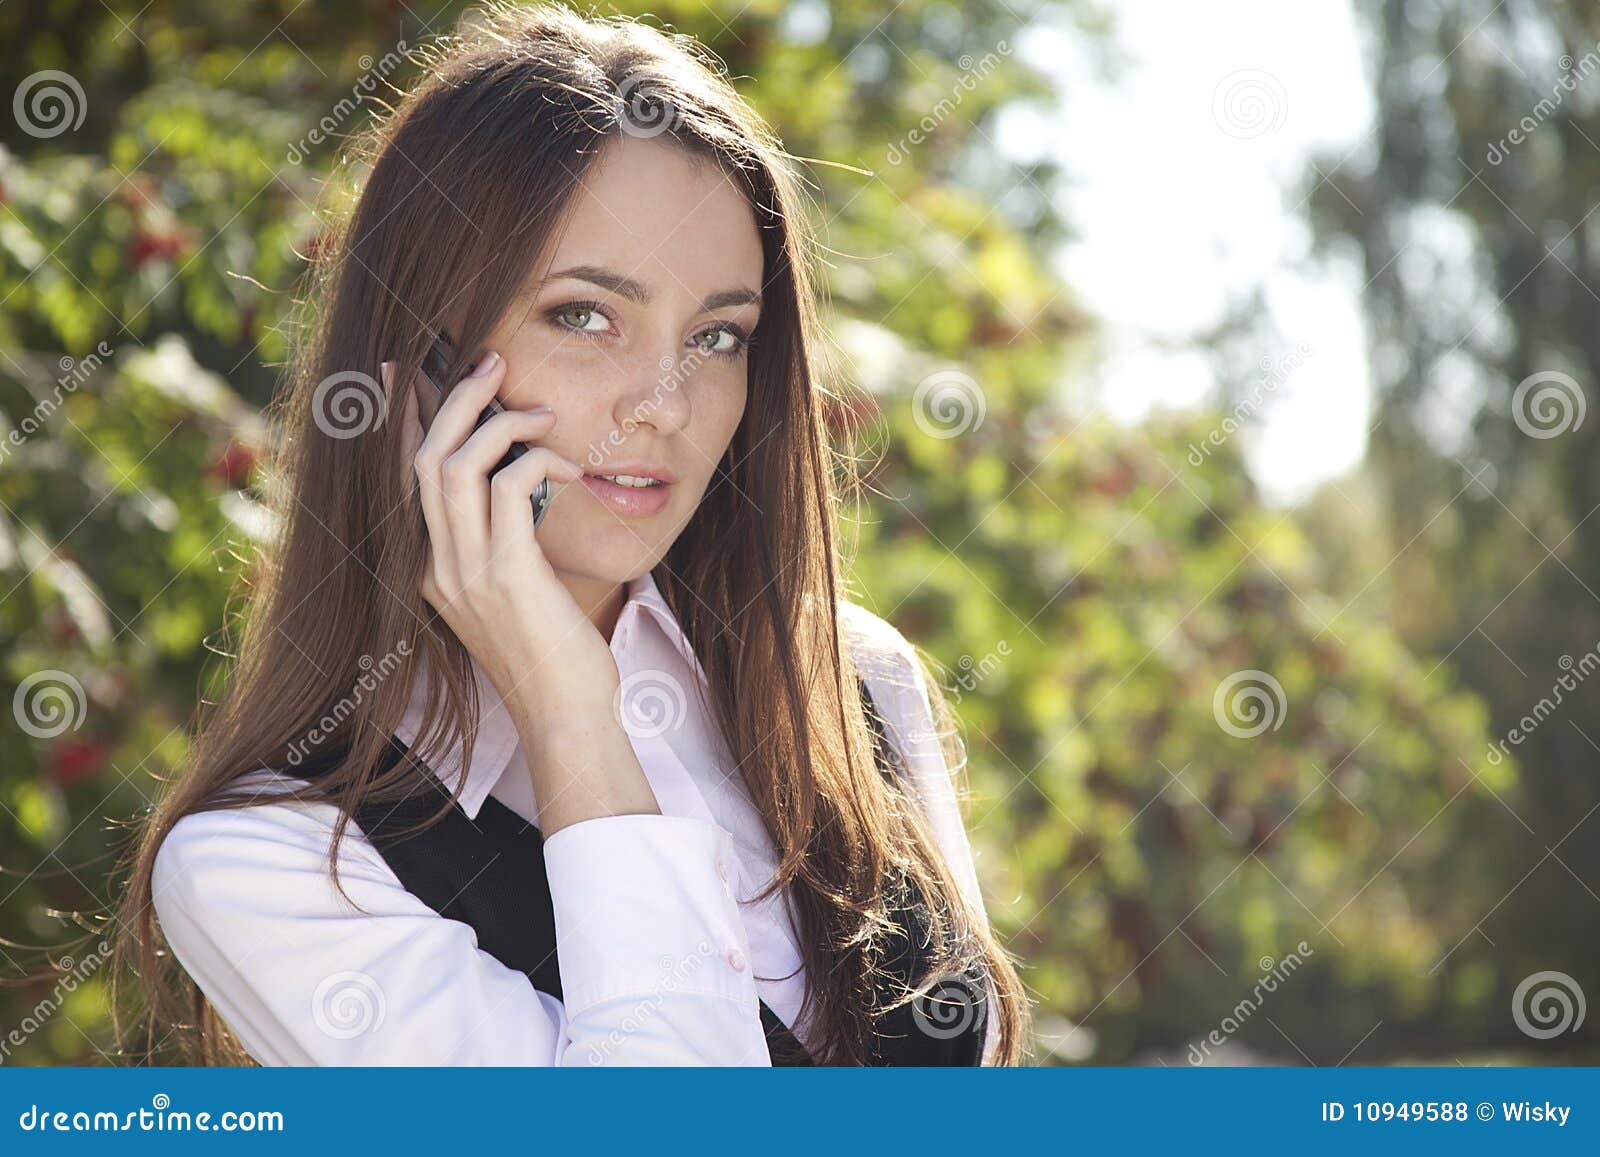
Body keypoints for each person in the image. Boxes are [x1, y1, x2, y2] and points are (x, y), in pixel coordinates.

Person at [112, 3, 1029, 1066]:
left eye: (717, 335)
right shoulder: (270, 859)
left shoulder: (849, 679)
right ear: (421, 365)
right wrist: (568, 705)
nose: (666, 404)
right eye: (585, 316)